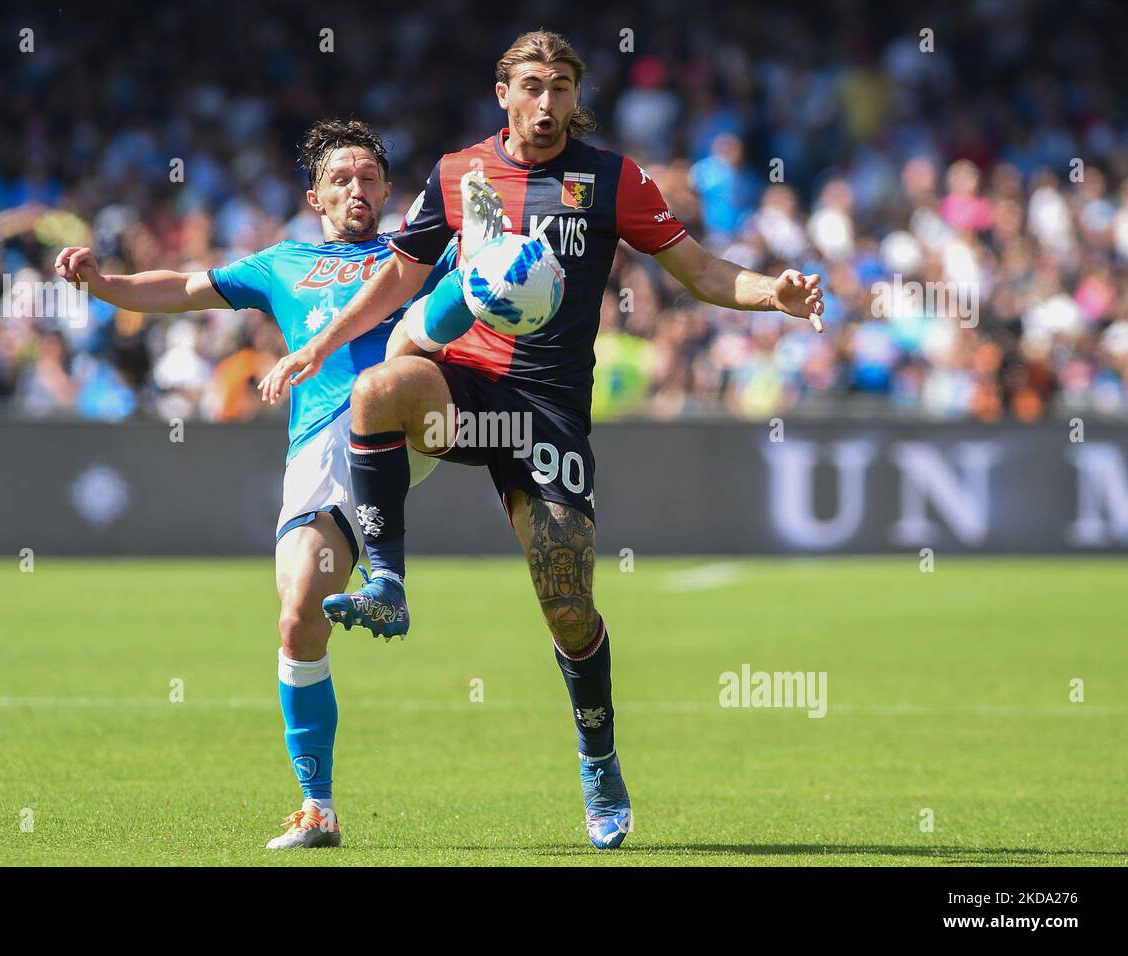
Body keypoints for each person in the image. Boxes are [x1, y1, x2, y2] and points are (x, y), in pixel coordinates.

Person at [258, 31, 825, 851]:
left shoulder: (613, 180)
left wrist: (775, 291)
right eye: (532, 86)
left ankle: (599, 757)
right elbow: (396, 278)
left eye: (561, 87)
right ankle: (387, 579)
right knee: (378, 387)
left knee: (568, 608)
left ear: (575, 95)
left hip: (544, 411)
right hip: (463, 382)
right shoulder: (459, 175)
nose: (547, 103)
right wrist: (317, 345)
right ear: (504, 93)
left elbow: (700, 271)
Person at [56, 119, 452, 849]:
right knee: (297, 615)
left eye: (368, 177)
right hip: (317, 455)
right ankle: (318, 807)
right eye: (341, 178)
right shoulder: (284, 263)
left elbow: (483, 273)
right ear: (315, 196)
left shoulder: (417, 252)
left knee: (412, 366)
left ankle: (392, 573)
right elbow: (182, 285)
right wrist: (103, 284)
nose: (356, 189)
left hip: (405, 420)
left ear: (389, 191)